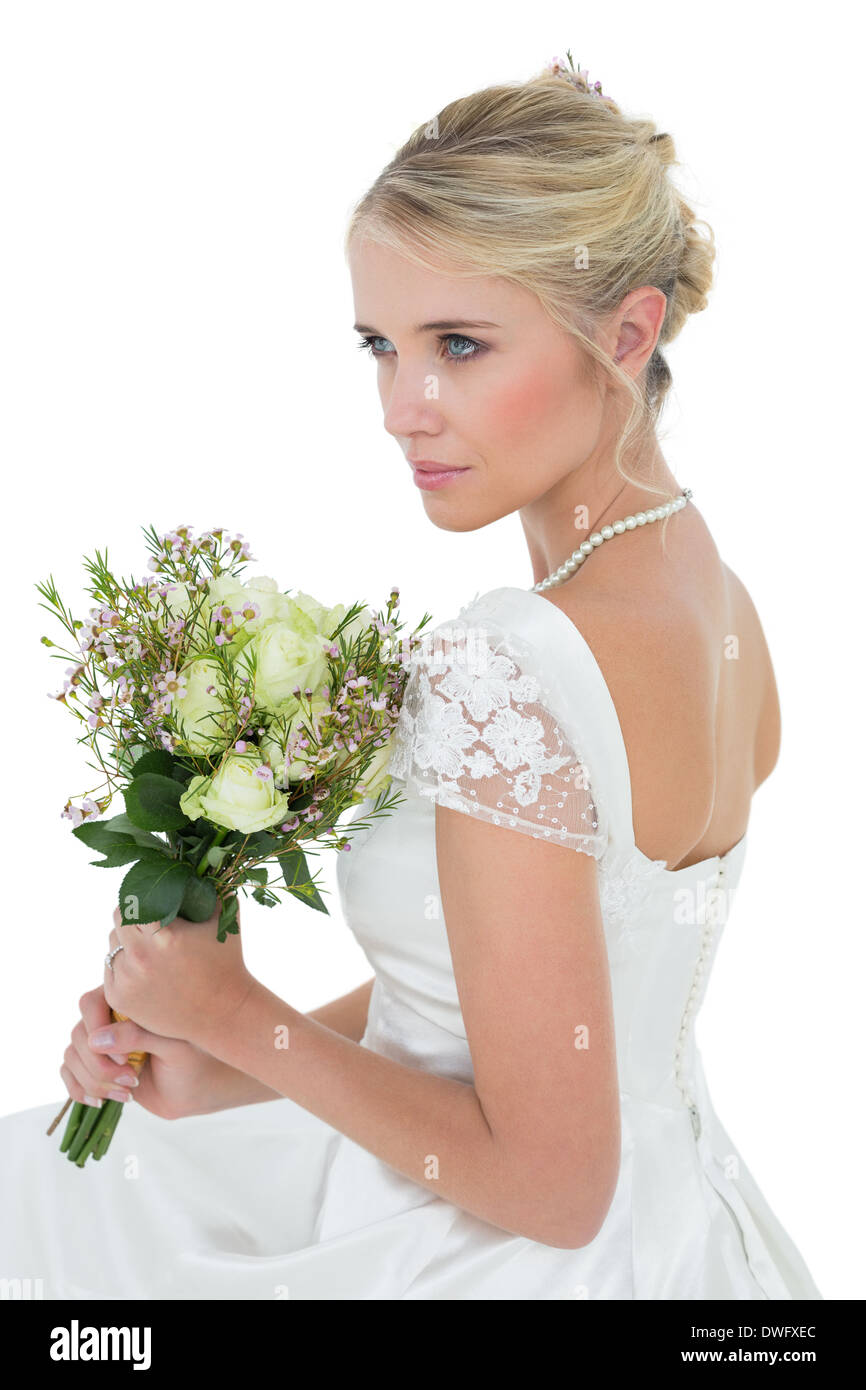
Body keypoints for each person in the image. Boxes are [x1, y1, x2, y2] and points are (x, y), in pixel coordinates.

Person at [0, 58, 822, 1300]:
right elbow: (513, 1002)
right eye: (381, 344)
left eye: (459, 345)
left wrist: (233, 1015)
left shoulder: (509, 661)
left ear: (628, 332)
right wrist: (230, 1065)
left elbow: (550, 1189)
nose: (403, 405)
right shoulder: (723, 610)